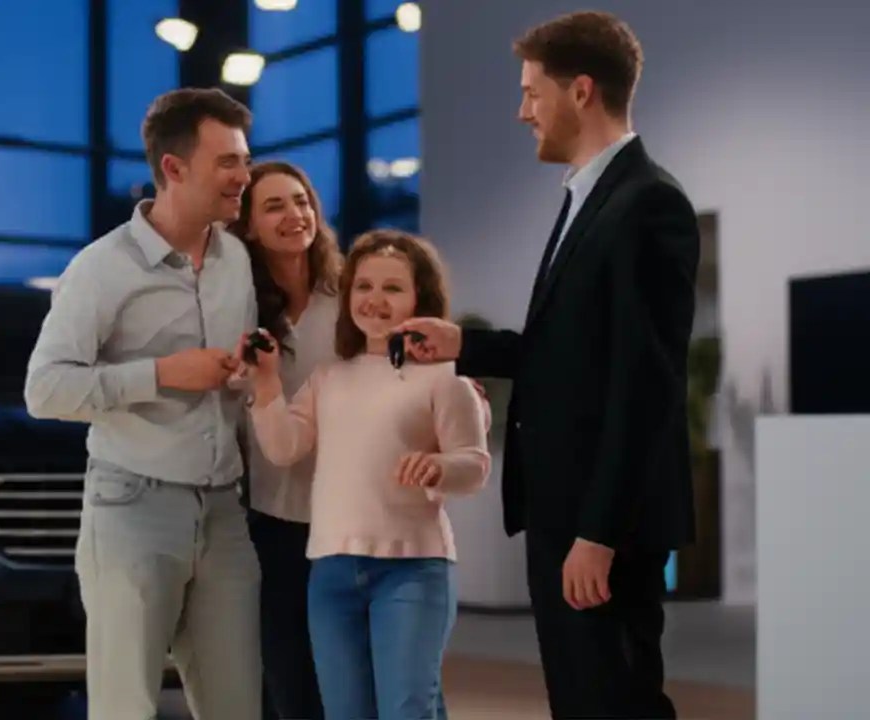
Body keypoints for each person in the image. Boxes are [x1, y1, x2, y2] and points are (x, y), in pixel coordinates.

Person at [394, 11, 700, 719]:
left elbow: (645, 384)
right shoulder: (592, 200)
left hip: (600, 524)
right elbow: (571, 352)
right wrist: (466, 345)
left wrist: (598, 532)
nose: (522, 110)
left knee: (612, 702)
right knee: (581, 700)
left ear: (581, 91)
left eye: (533, 92)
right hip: (566, 511)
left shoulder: (647, 203)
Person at [24, 87, 260, 720]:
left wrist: (241, 376)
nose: (244, 176)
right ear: (174, 169)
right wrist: (159, 374)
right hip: (132, 507)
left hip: (224, 511)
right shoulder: (101, 269)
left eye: (244, 158)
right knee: (126, 707)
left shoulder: (236, 258)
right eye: (228, 162)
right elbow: (44, 389)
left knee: (239, 708)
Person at [243, 229, 491, 720]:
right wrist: (267, 382)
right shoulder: (328, 378)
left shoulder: (446, 381)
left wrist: (441, 466)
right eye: (363, 286)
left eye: (393, 288)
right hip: (330, 572)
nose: (375, 300)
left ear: (421, 298)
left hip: (413, 571)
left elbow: (474, 467)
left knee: (406, 709)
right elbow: (282, 447)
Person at [225, 160, 342, 720]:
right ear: (248, 225)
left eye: (301, 201)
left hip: (349, 520)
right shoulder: (238, 311)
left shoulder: (347, 300)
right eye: (274, 206)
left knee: (344, 683)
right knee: (288, 683)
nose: (295, 215)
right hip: (273, 519)